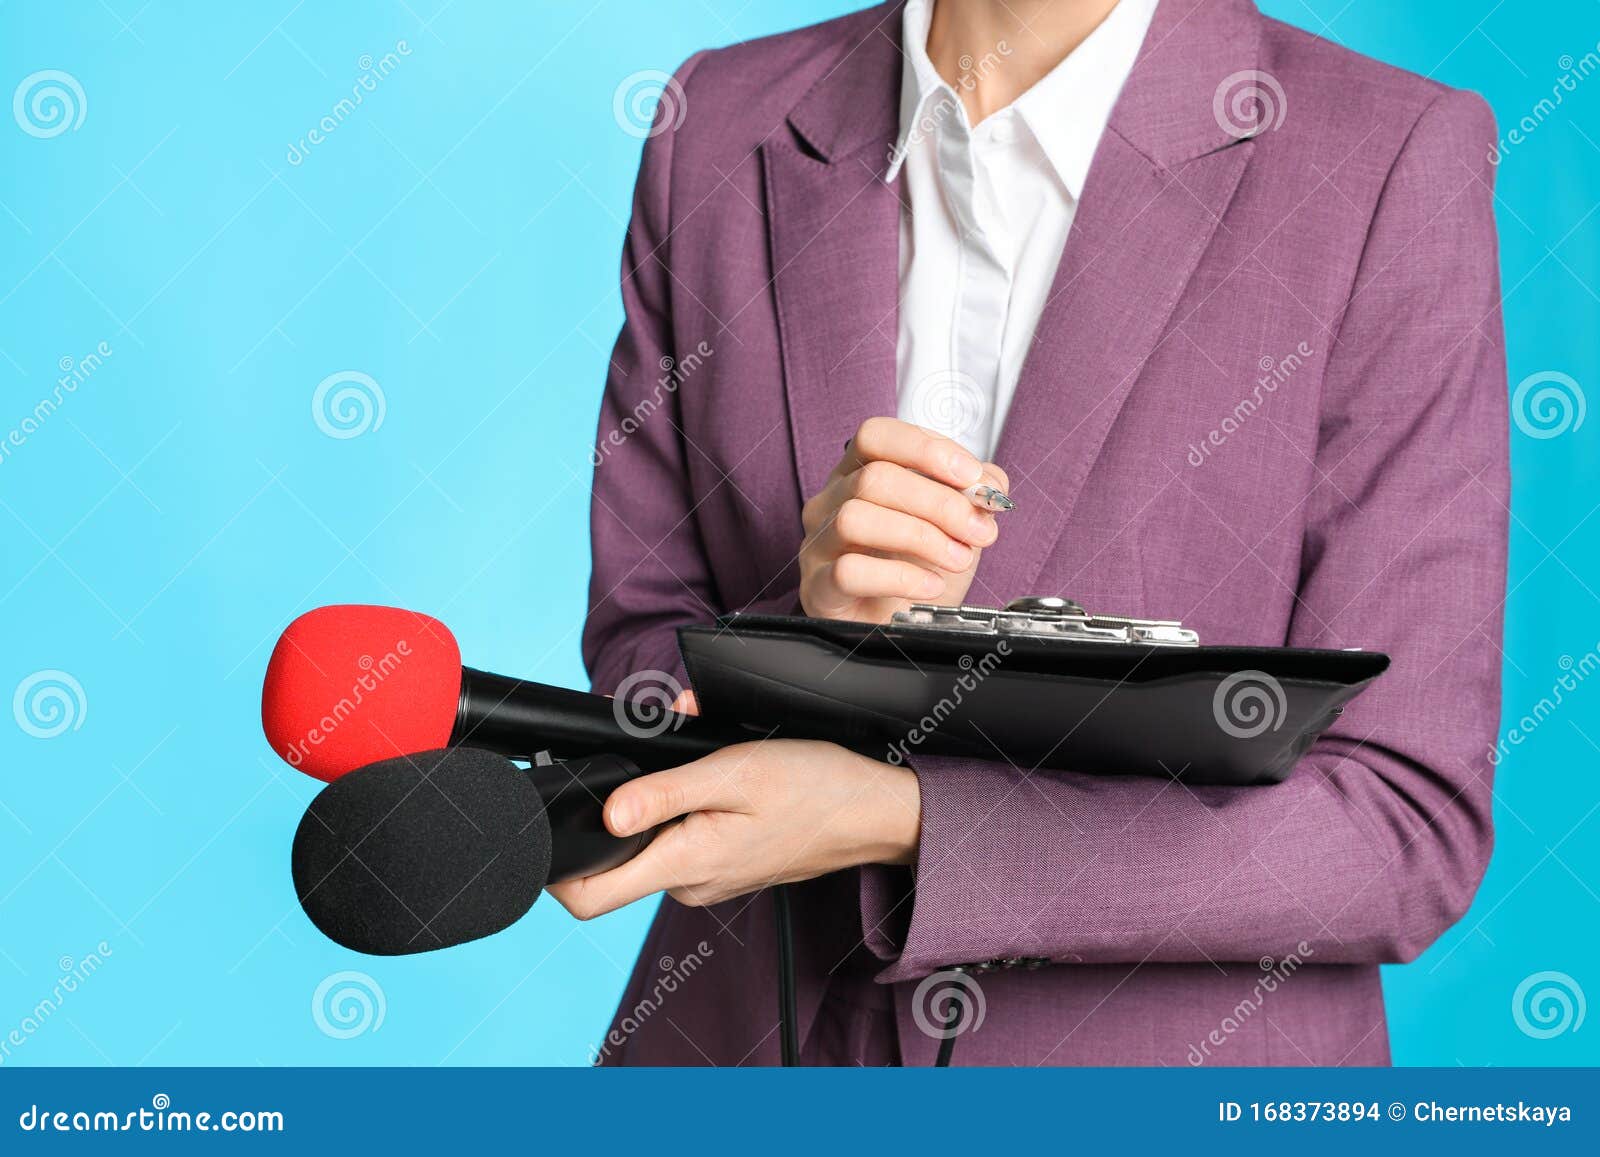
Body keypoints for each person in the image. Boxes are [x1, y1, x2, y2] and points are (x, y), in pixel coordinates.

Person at [552, 0, 1508, 1066]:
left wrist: (906, 819)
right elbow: (641, 648)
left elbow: (1399, 822)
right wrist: (805, 634)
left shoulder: (1382, 152)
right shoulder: (717, 120)